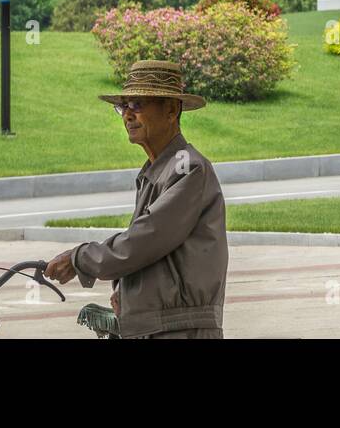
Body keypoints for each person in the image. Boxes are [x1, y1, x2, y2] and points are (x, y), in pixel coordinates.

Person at [45, 60, 228, 339]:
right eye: (124, 106)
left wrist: (80, 258)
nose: (128, 115)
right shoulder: (157, 170)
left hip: (180, 330)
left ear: (171, 110)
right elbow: (151, 250)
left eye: (139, 104)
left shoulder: (188, 167)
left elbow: (146, 239)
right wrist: (125, 290)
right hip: (158, 327)